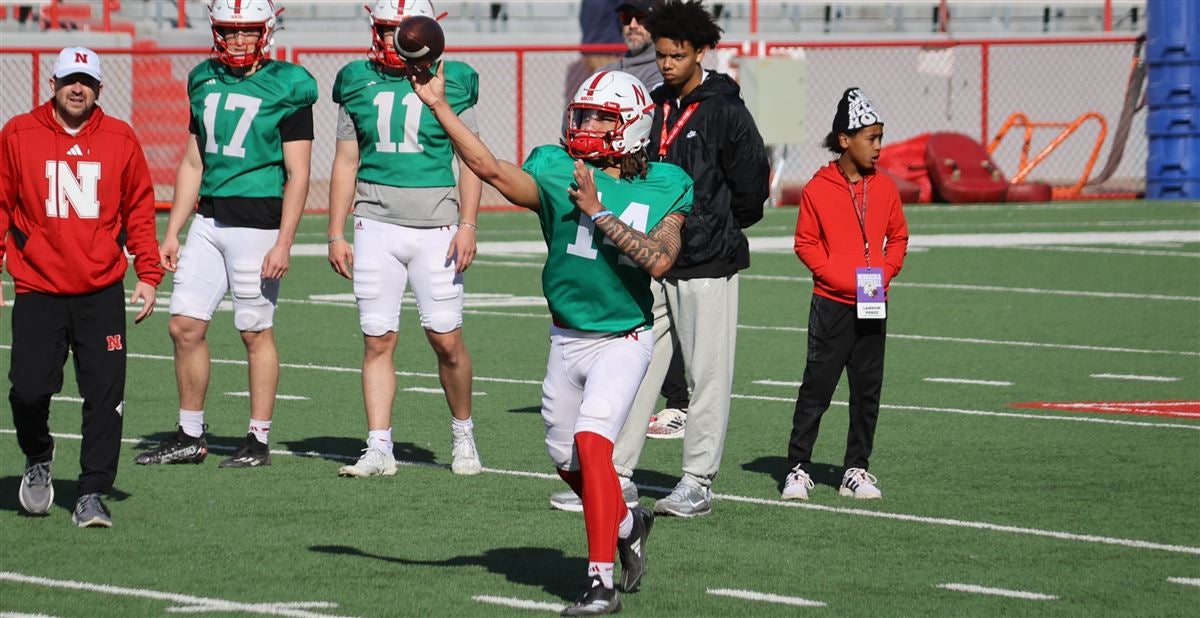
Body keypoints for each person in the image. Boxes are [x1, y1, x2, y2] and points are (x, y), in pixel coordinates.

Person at [412, 66, 692, 615]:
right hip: (567, 338)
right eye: (582, 114)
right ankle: (629, 522)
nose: (585, 125)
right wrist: (440, 108)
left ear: (632, 128)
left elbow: (660, 260)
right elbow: (488, 168)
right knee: (566, 457)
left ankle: (600, 583)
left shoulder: (667, 182)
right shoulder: (555, 166)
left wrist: (599, 212)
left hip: (623, 337)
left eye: (600, 118)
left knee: (594, 445)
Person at [551, 0, 769, 518]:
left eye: (677, 55)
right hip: (651, 258)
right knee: (639, 371)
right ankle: (616, 475)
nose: (667, 64)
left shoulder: (725, 109)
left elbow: (751, 188)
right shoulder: (656, 104)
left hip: (706, 262)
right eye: (663, 54)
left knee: (705, 375)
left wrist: (711, 225)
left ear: (700, 52)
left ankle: (697, 480)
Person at [134, 0, 317, 469]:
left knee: (254, 332)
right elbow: (193, 161)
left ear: (266, 32)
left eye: (248, 31)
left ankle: (257, 439)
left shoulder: (290, 84)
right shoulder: (202, 78)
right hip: (209, 221)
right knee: (184, 325)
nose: (238, 39)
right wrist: (172, 230)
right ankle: (191, 434)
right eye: (230, 31)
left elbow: (298, 173)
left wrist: (285, 241)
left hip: (258, 224)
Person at [1, 47, 163, 527]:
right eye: (70, 79)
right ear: (52, 83)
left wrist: (149, 274)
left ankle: (92, 491)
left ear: (99, 89)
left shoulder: (120, 138)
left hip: (100, 292)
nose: (78, 88)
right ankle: (39, 458)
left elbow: (138, 208)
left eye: (86, 81)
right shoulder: (18, 133)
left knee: (105, 396)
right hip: (38, 286)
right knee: (27, 391)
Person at [328, 0, 484, 478]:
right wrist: (334, 231)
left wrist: (469, 224)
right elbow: (346, 160)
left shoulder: (454, 78)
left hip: (436, 225)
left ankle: (463, 434)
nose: (396, 40)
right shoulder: (355, 77)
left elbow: (471, 158)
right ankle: (379, 446)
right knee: (378, 338)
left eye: (405, 31)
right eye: (387, 30)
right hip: (375, 223)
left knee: (447, 339)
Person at [782, 87, 908, 501]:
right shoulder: (818, 189)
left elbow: (899, 238)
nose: (878, 147)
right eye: (871, 138)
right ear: (844, 140)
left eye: (879, 138)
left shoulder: (885, 188)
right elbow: (806, 244)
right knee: (817, 387)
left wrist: (882, 274)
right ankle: (798, 468)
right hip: (832, 304)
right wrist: (842, 278)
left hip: (873, 303)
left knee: (867, 390)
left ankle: (856, 468)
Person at [600, 0, 663, 91]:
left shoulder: (663, 71)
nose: (632, 25)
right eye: (626, 18)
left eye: (641, 18)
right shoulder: (604, 71)